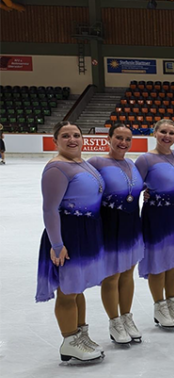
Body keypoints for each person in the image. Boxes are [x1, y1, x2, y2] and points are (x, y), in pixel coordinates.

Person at [37, 122, 106, 362]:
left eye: (76, 135)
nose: (72, 139)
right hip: (69, 234)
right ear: (56, 141)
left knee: (77, 287)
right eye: (65, 136)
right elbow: (49, 209)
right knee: (67, 290)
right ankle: (69, 340)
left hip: (87, 231)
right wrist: (57, 244)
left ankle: (80, 334)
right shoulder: (57, 167)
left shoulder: (82, 162)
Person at [87, 124, 144, 344]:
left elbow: (136, 188)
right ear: (109, 138)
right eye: (119, 138)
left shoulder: (132, 163)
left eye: (127, 139)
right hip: (109, 224)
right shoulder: (96, 163)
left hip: (131, 223)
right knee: (112, 276)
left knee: (128, 273)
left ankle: (127, 317)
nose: (123, 142)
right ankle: (114, 322)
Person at [135, 119, 174, 329]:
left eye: (171, 132)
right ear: (155, 133)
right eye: (163, 132)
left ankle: (172, 302)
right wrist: (144, 191)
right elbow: (132, 186)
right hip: (157, 216)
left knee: (173, 261)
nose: (167, 136)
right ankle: (159, 307)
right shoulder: (145, 159)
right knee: (159, 263)